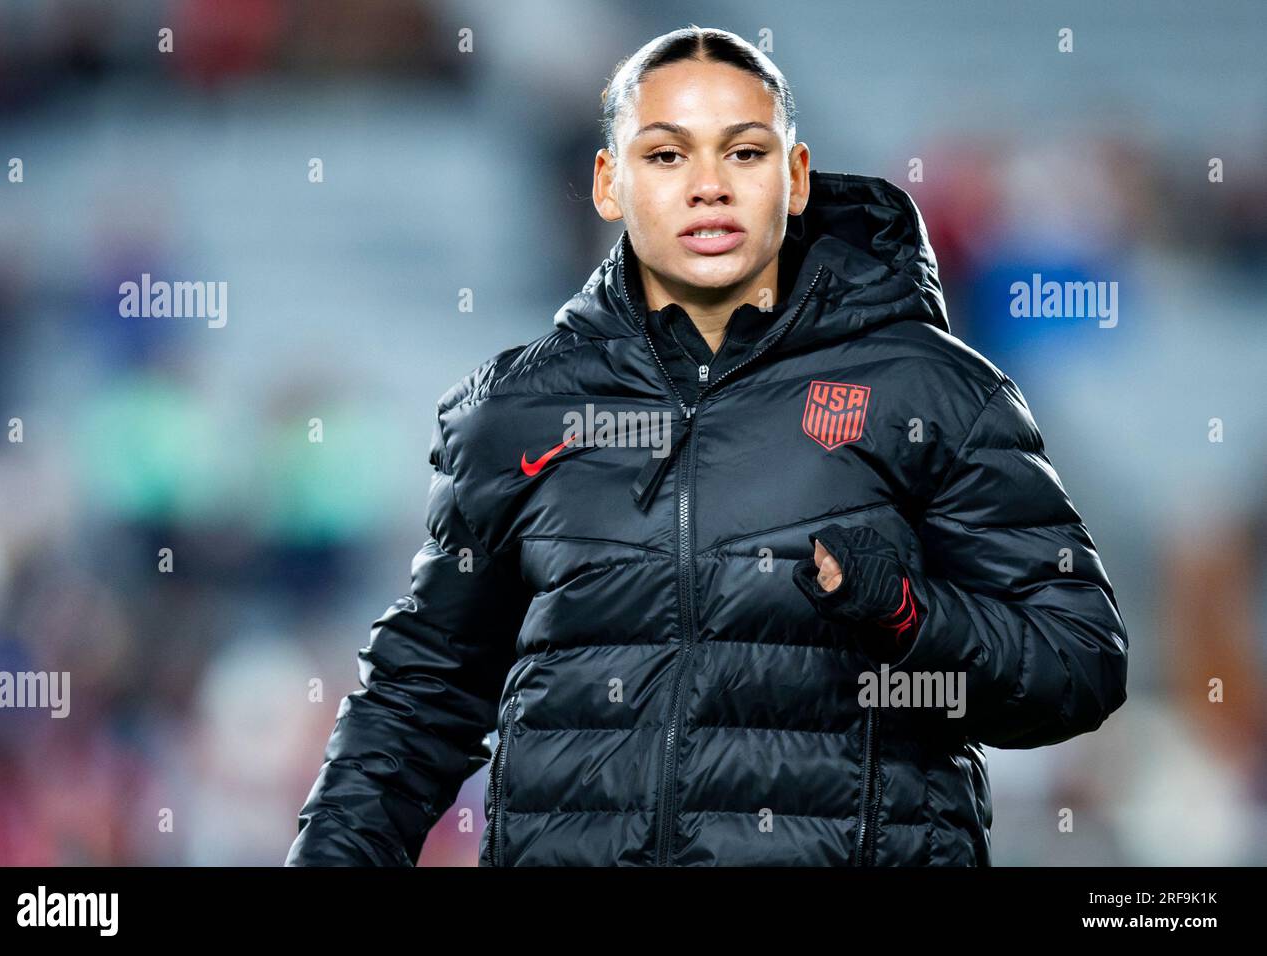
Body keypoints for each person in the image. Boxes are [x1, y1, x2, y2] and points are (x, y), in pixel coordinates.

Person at [286, 26, 1128, 867]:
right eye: (666, 156)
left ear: (795, 179)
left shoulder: (931, 392)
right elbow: (419, 696)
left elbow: (1081, 666)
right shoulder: (517, 411)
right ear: (608, 182)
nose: (709, 187)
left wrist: (912, 617)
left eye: (746, 153)